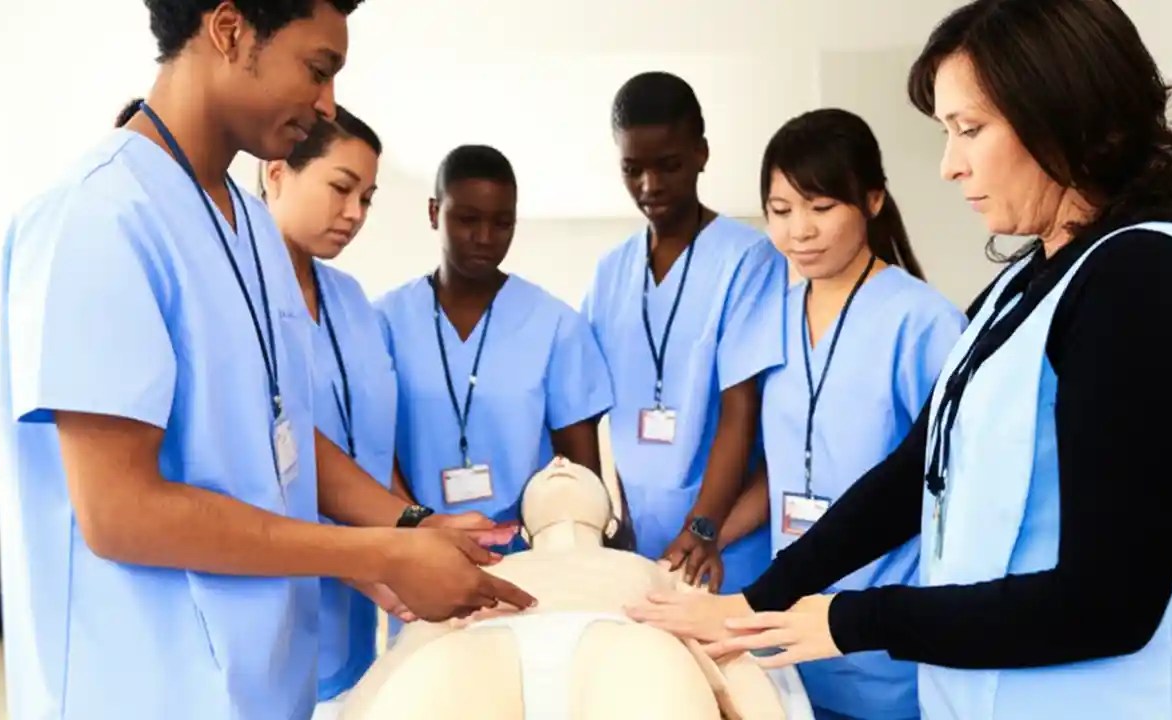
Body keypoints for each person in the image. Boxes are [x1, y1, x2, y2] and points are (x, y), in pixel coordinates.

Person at [629, 1, 1172, 718]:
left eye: (970, 129)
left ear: (1065, 115)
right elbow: (913, 473)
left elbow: (1108, 602)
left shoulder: (1147, 285)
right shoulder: (1026, 283)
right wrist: (757, 601)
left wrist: (848, 621)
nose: (949, 165)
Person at [0, 3, 532, 719]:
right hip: (143, 688)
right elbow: (119, 510)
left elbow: (277, 431)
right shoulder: (100, 218)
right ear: (228, 30)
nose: (325, 104)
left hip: (263, 680)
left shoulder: (246, 226)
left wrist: (407, 526)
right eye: (317, 69)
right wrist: (370, 555)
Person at [631, 108, 965, 719]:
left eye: (820, 207)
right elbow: (784, 465)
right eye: (781, 212)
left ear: (872, 200)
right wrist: (708, 537)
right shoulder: (771, 315)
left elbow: (943, 485)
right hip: (787, 642)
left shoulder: (924, 324)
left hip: (882, 645)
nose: (799, 232)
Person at [260, 106, 504, 718]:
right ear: (275, 173)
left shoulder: (349, 299)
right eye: (341, 188)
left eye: (367, 198)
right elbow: (260, 461)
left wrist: (416, 523)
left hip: (356, 610)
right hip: (276, 591)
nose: (355, 215)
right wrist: (373, 556)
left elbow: (366, 450)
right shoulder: (243, 296)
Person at [340, 457, 816, 720]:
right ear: (523, 527)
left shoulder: (648, 568)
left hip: (625, 646)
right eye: (548, 470)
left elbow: (724, 647)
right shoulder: (472, 571)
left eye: (572, 468)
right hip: (485, 650)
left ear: (611, 520)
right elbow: (412, 647)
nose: (559, 460)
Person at [583, 71, 787, 594]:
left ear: (701, 153)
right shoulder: (611, 272)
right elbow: (581, 406)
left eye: (668, 165)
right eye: (633, 169)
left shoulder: (749, 259)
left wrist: (703, 525)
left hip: (722, 542)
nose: (650, 186)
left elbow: (741, 408)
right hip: (636, 541)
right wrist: (601, 517)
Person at [376, 144, 613, 552]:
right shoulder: (383, 323)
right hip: (424, 554)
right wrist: (416, 528)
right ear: (434, 213)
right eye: (468, 220)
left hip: (537, 559)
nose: (485, 238)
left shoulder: (555, 325)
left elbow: (581, 475)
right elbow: (373, 449)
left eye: (502, 223)